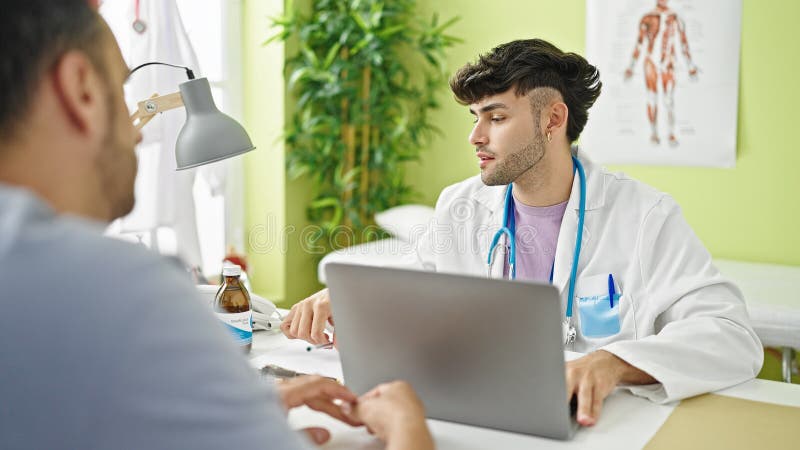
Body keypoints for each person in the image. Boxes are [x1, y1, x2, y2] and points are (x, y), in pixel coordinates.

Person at [0, 1, 433, 450]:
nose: (138, 132)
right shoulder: (118, 288)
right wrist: (406, 423)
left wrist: (230, 415)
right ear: (81, 89)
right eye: (120, 90)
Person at [283, 39, 763, 427]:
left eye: (496, 117)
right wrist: (351, 301)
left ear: (553, 119)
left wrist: (614, 362)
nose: (476, 136)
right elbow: (422, 284)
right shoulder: (461, 205)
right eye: (475, 118)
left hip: (602, 423)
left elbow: (731, 337)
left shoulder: (644, 215)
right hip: (482, 411)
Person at [623, 0, 699, 146]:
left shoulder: (675, 17)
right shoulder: (647, 18)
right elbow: (639, 43)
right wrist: (631, 67)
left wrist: (690, 66)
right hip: (651, 62)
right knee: (652, 98)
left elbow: (683, 42)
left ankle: (670, 133)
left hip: (668, 63)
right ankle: (654, 133)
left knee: (668, 99)